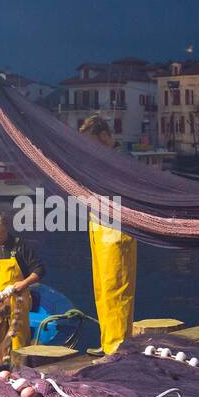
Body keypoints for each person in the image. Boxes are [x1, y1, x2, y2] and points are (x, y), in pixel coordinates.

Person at [78, 114, 137, 355]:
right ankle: (107, 342)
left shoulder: (123, 160)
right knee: (102, 288)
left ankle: (118, 349)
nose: (90, 148)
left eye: (93, 142)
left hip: (118, 229)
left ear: (105, 135)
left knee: (117, 289)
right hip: (98, 225)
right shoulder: (98, 160)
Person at [0, 210, 45, 361]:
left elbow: (39, 269)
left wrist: (24, 283)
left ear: (6, 228)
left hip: (18, 301)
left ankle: (20, 366)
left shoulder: (20, 247)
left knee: (19, 336)